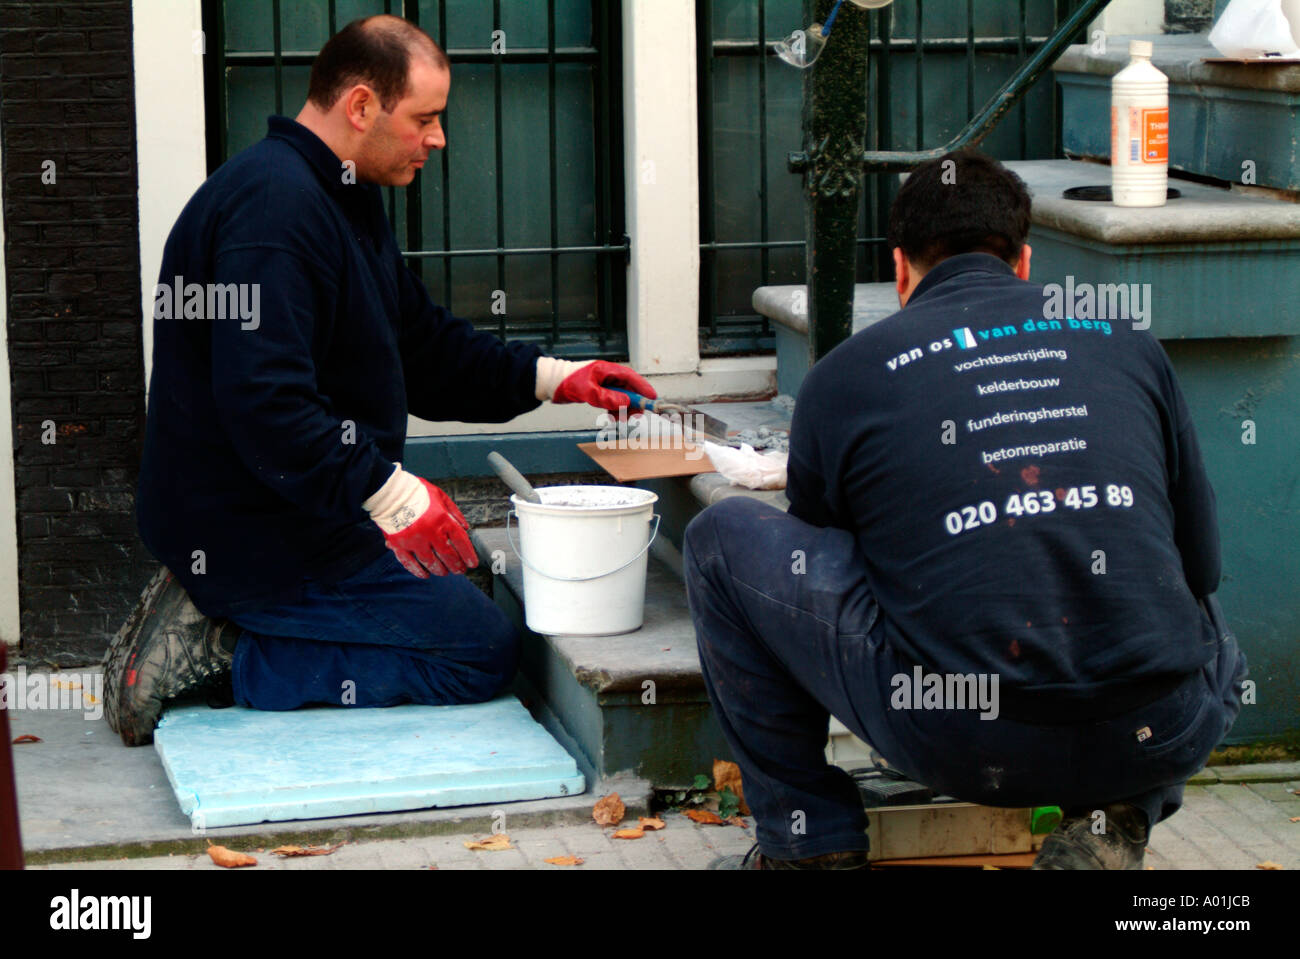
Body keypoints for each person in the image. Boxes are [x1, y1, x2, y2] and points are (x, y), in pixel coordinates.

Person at [683, 150, 1248, 870]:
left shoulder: (847, 374)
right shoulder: (1126, 337)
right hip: (1160, 724)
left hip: (962, 734)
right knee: (1202, 614)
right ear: (1025, 262)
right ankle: (1117, 817)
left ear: (899, 269)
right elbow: (1205, 562)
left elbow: (825, 546)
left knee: (718, 538)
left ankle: (809, 842)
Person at [103, 15, 655, 746]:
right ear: (361, 106)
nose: (439, 139)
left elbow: (422, 350)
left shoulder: (338, 192)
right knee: (481, 652)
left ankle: (238, 617)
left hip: (308, 511)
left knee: (467, 587)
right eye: (424, 118)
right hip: (257, 534)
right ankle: (226, 654)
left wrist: (559, 377)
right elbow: (267, 405)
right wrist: (392, 494)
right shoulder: (274, 212)